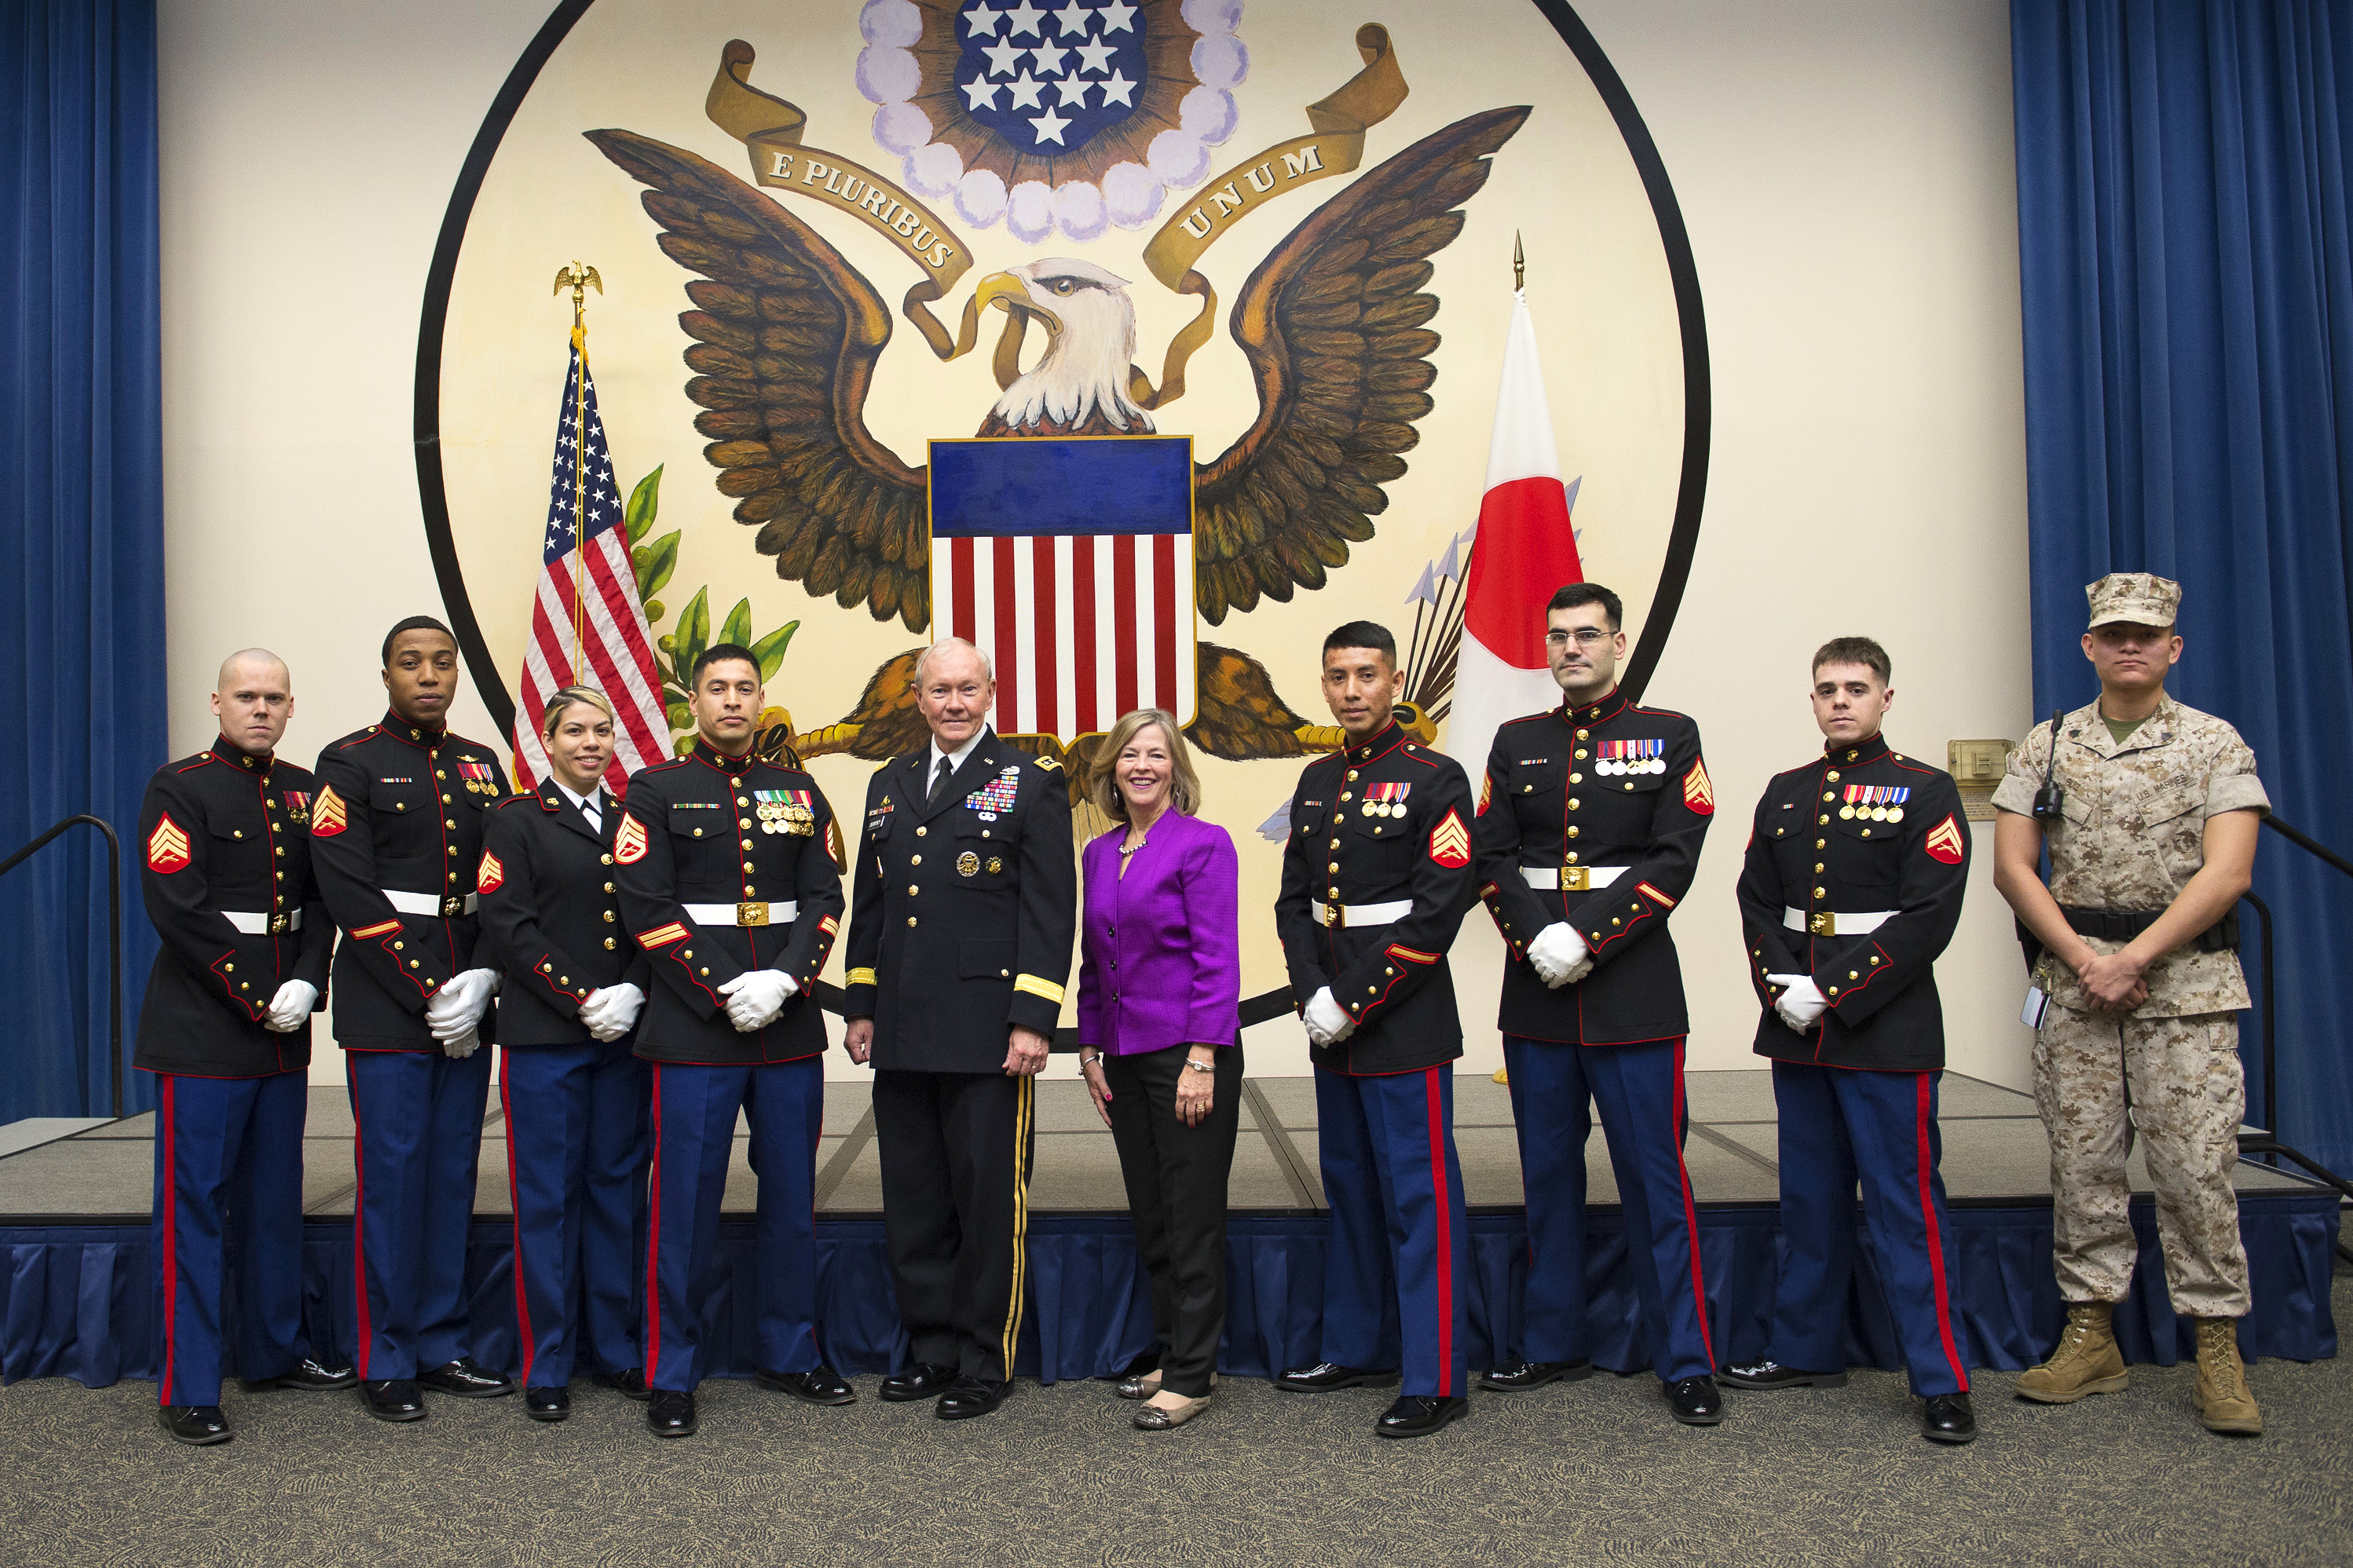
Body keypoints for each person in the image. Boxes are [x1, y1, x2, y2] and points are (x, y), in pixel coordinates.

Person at [1992, 573, 2266, 1436]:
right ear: (2087, 645)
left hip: (2181, 988)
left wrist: (2134, 956)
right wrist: (2082, 959)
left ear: (2172, 646)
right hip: (2074, 990)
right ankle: (2090, 1332)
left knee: (2193, 1168)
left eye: (2146, 633)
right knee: (2082, 1165)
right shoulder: (2046, 743)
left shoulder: (2213, 742)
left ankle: (2215, 1342)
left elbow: (2228, 872)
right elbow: (2010, 866)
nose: (2129, 645)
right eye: (2112, 632)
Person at [1469, 583, 1723, 1427]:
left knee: (1655, 1182)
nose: (1570, 647)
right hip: (1536, 990)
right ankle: (1551, 1340)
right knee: (1546, 1176)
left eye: (1586, 634)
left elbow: (1674, 854)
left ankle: (1682, 1357)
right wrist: (1534, 936)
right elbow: (1491, 853)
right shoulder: (1515, 741)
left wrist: (1589, 937)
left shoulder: (1667, 735)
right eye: (1557, 636)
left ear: (1618, 642)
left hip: (1632, 994)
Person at [1724, 637, 1977, 1444]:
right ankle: (1802, 1347)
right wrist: (1780, 988)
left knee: (1905, 1206)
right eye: (1826, 687)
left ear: (1884, 698)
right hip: (1797, 1028)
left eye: (1855, 687)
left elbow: (1927, 916)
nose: (1839, 700)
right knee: (1807, 1198)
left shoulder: (1924, 791)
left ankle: (1940, 1378)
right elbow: (1756, 901)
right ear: (1811, 699)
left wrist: (1830, 987)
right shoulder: (1784, 792)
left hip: (1883, 1027)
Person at [613, 645, 851, 1439]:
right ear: (694, 699)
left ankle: (790, 1348)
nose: (732, 701)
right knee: (682, 1205)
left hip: (783, 1026)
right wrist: (723, 988)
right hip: (692, 1026)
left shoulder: (798, 787)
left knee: (790, 1197)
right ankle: (671, 1371)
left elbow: (824, 893)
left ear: (760, 699)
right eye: (717, 687)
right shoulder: (654, 790)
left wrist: (783, 980)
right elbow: (643, 902)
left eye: (745, 688)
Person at [840, 638, 1076, 1422]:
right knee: (915, 1197)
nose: (952, 702)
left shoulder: (1029, 781)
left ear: (991, 692)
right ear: (916, 697)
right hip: (903, 1026)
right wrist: (862, 1004)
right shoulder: (889, 782)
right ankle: (931, 1347)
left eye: (966, 688)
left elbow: (1048, 910)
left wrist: (1033, 1018)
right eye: (937, 689)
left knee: (985, 1200)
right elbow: (870, 906)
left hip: (986, 1029)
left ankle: (985, 1357)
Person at [137, 650, 353, 1445]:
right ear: (217, 702)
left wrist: (306, 980)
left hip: (281, 1035)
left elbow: (322, 898)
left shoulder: (304, 791)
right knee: (193, 1210)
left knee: (273, 1199)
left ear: (292, 706)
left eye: (273, 697)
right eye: (245, 696)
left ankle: (274, 1349)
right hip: (203, 1030)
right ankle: (188, 1383)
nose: (259, 709)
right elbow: (179, 908)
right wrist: (257, 993)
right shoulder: (181, 786)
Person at [1272, 623, 1479, 1439]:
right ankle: (1355, 1344)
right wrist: (1310, 992)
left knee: (1418, 1198)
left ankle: (1435, 1374)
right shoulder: (1318, 779)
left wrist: (1350, 998)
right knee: (1351, 1189)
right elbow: (1294, 901)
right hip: (1333, 1021)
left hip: (1403, 1019)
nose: (1350, 690)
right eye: (1336, 676)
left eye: (1365, 674)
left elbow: (1438, 909)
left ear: (1394, 679)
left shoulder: (1434, 777)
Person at [310, 616, 513, 1420]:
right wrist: (434, 987)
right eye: (410, 663)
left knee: (452, 1172)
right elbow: (349, 892)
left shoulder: (480, 765)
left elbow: (500, 880)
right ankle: (384, 1353)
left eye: (442, 662)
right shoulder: (350, 762)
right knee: (393, 1179)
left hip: (469, 990)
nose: (428, 676)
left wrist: (484, 977)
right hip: (391, 1000)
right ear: (386, 673)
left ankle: (441, 1339)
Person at [477, 687, 651, 1422]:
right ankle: (547, 1360)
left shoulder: (635, 822)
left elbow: (656, 917)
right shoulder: (516, 821)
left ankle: (614, 1348)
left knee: (617, 1193)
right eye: (574, 730)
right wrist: (585, 995)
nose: (590, 742)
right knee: (546, 1199)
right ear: (546, 743)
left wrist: (637, 990)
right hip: (548, 1037)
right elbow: (510, 925)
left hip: (624, 1043)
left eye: (602, 730)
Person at [1074, 710, 1242, 1433]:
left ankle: (1194, 1374)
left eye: (1157, 754)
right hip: (1123, 1052)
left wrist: (1202, 1057)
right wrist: (1086, 1048)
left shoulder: (1205, 845)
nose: (1142, 765)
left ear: (1177, 767)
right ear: (1112, 769)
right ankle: (1172, 1349)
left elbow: (1217, 959)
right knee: (1153, 1212)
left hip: (1186, 1054)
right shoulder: (1099, 852)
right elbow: (1093, 959)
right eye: (1129, 755)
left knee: (1192, 1212)